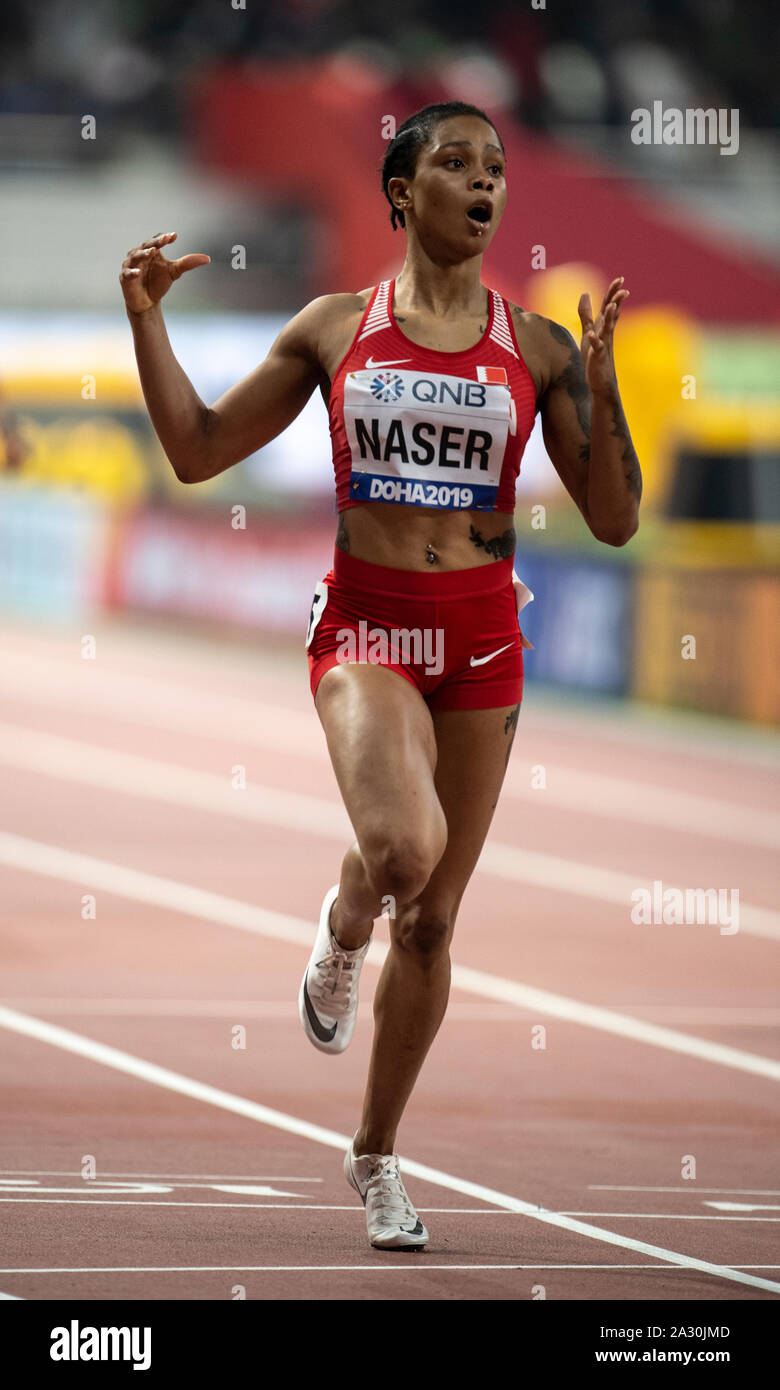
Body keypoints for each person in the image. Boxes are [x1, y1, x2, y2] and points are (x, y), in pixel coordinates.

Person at [120, 100, 641, 1254]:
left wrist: (604, 393)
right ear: (404, 195)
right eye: (455, 162)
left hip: (485, 638)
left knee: (439, 920)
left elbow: (614, 520)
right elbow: (198, 450)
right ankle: (344, 916)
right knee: (407, 854)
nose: (483, 180)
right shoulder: (335, 327)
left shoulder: (542, 348)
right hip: (371, 629)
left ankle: (374, 1156)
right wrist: (146, 319)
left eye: (496, 166)